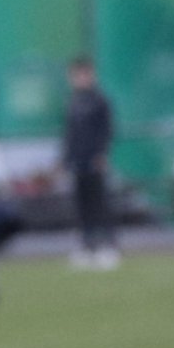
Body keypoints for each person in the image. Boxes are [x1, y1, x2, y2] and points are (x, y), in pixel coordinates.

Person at [62, 56, 117, 271]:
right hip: (77, 160)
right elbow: (69, 134)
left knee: (99, 204)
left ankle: (108, 246)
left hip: (95, 159)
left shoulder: (99, 101)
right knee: (82, 205)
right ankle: (87, 246)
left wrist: (101, 153)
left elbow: (107, 130)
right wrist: (66, 159)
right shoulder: (73, 102)